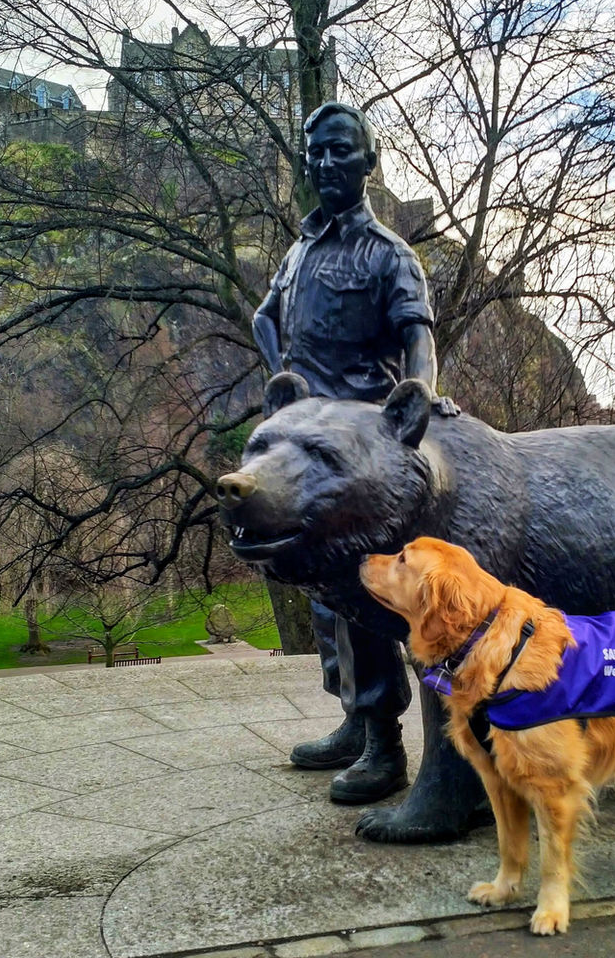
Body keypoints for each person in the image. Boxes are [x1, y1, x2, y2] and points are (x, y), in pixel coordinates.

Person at [252, 101, 458, 805]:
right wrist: (286, 383)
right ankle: (353, 720)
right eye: (317, 152)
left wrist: (421, 398)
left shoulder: (388, 254)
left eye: (342, 150)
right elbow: (265, 318)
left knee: (363, 592)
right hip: (306, 443)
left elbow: (417, 336)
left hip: (360, 457)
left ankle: (383, 746)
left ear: (369, 162)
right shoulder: (299, 252)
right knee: (325, 601)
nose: (328, 163)